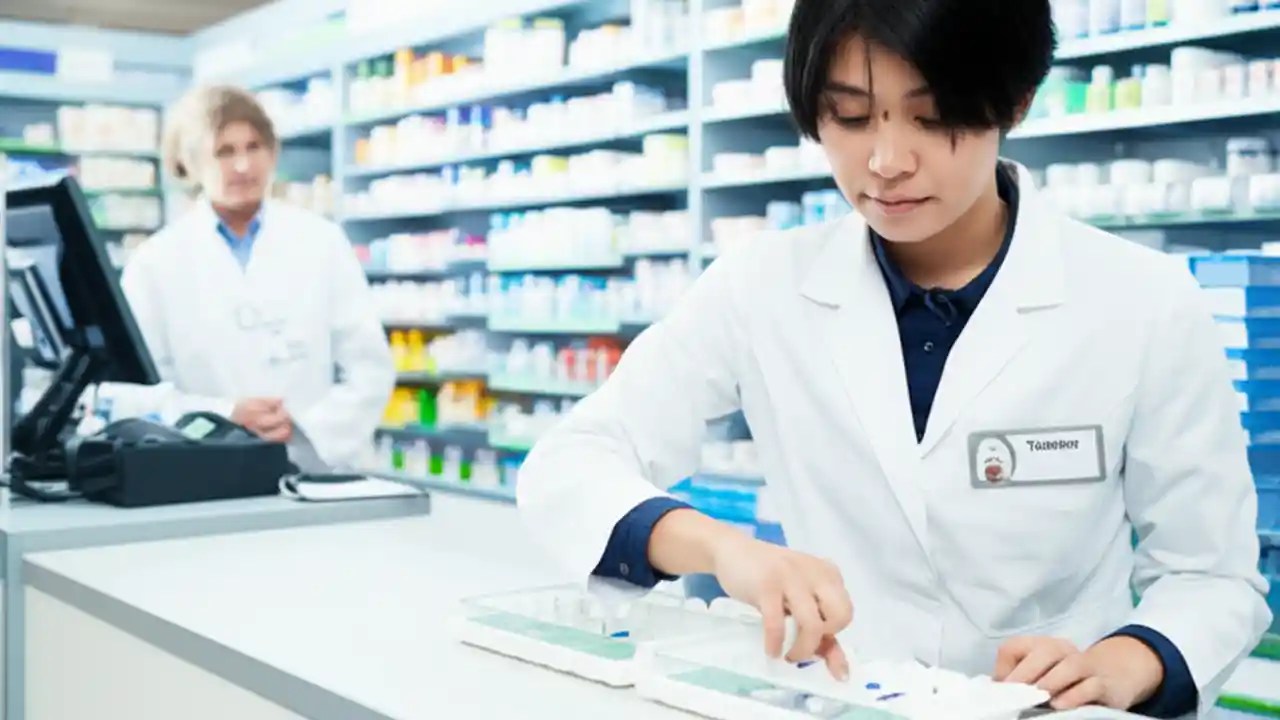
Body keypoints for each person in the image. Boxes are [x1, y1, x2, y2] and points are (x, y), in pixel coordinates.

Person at [517, 1, 1271, 716]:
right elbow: (570, 462)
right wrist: (724, 549)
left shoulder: (1143, 300)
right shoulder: (760, 287)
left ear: (1017, 100)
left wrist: (1124, 660)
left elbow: (1212, 576)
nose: (884, 161)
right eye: (848, 116)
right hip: (839, 697)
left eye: (933, 114)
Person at [114, 84, 394, 472]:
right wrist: (225, 415)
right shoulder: (154, 263)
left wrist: (305, 427)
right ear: (191, 162)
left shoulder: (322, 241)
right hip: (203, 474)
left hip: (317, 470)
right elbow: (140, 395)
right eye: (224, 152)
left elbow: (370, 368)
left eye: (254, 147)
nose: (243, 166)